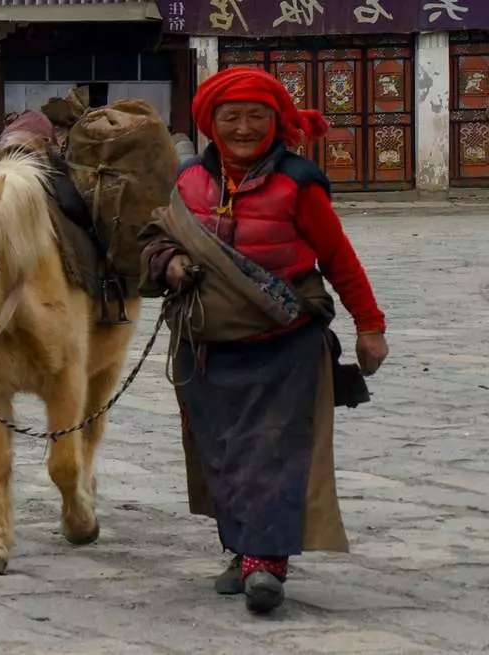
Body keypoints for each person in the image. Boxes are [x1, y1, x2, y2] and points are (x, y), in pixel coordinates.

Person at [137, 67, 390, 615]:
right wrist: (174, 262)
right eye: (231, 117)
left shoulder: (298, 183)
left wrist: (370, 326)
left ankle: (266, 564)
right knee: (221, 453)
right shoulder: (190, 182)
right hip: (206, 345)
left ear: (276, 122)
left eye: (257, 116)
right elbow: (157, 242)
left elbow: (339, 260)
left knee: (274, 451)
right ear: (211, 123)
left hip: (285, 339)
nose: (244, 127)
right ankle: (242, 548)